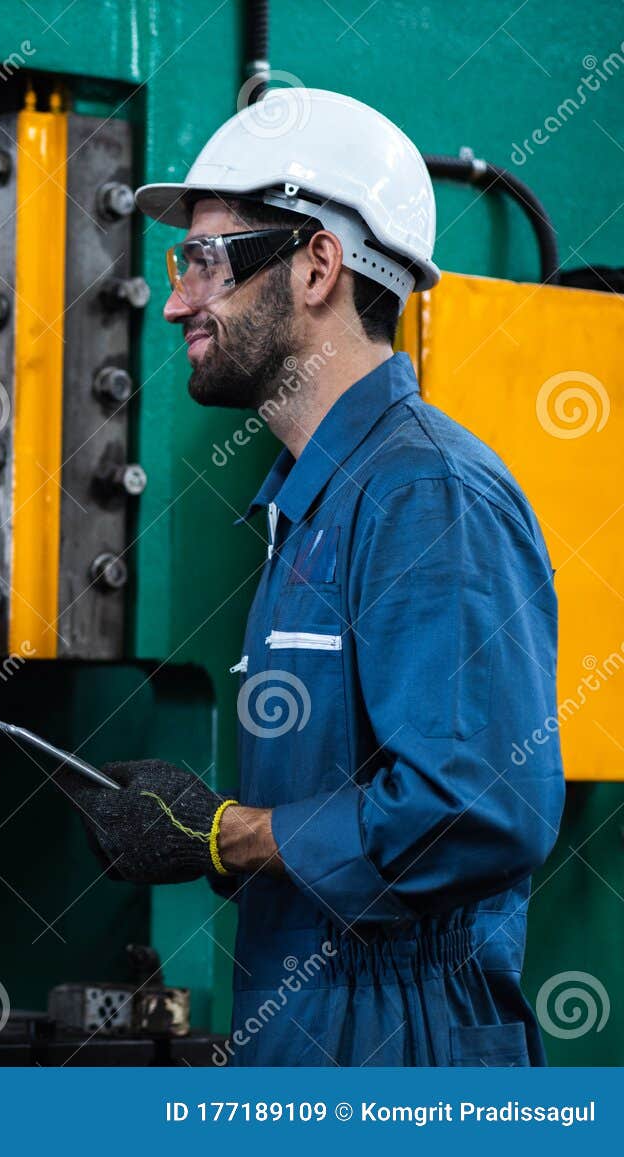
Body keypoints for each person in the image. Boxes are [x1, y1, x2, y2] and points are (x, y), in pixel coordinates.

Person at [55, 90, 563, 1065]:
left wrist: (224, 833)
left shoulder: (424, 492)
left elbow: (481, 805)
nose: (173, 301)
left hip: (408, 1055)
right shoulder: (316, 502)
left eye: (203, 260)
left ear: (317, 263)